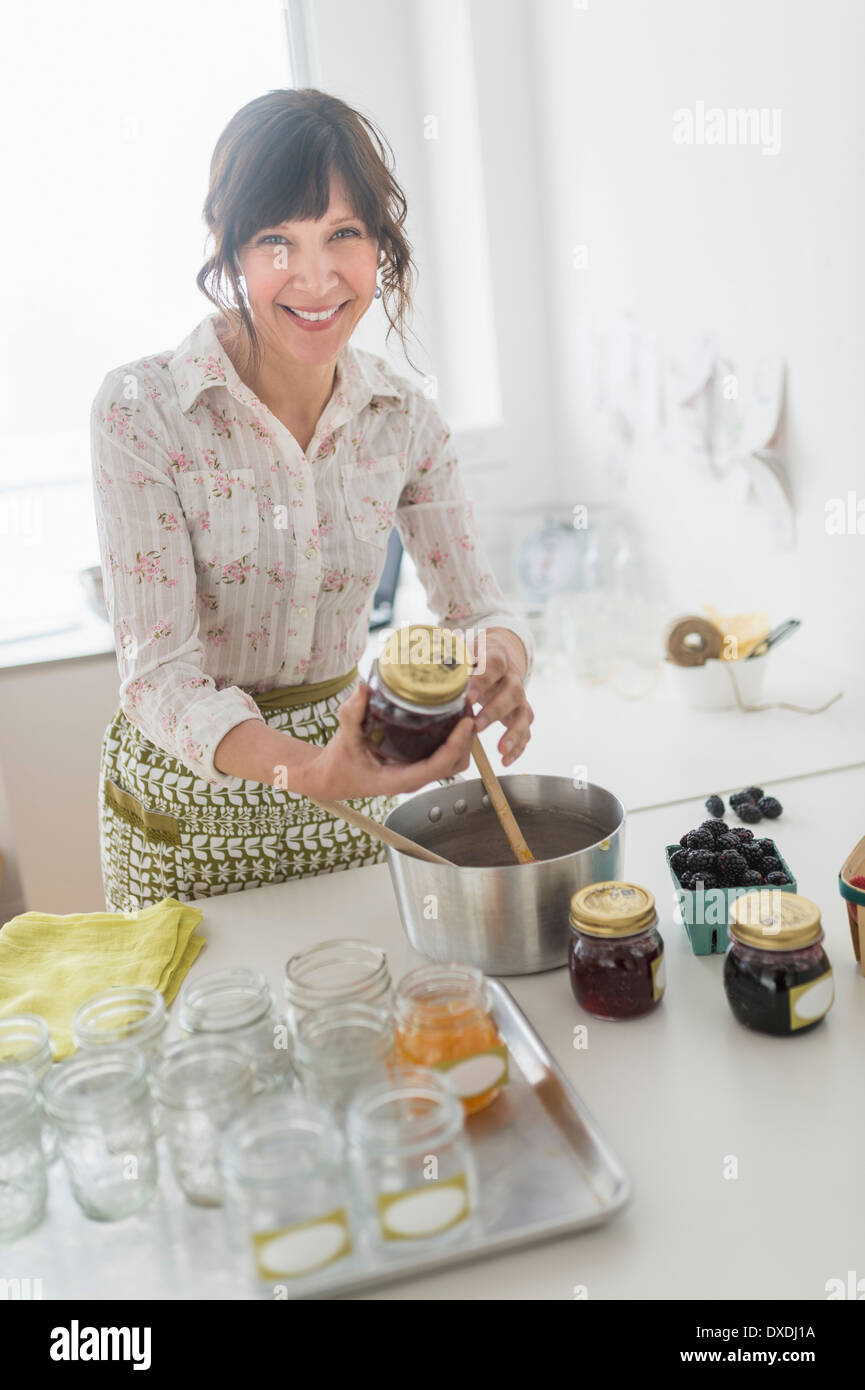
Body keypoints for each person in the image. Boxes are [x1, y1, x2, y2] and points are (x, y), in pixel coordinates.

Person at [91, 88, 534, 912]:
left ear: (379, 245)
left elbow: (477, 606)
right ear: (229, 251)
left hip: (349, 796)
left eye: (343, 235)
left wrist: (501, 657)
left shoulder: (404, 419)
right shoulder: (140, 410)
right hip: (188, 816)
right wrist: (305, 768)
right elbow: (157, 675)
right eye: (276, 241)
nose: (316, 277)